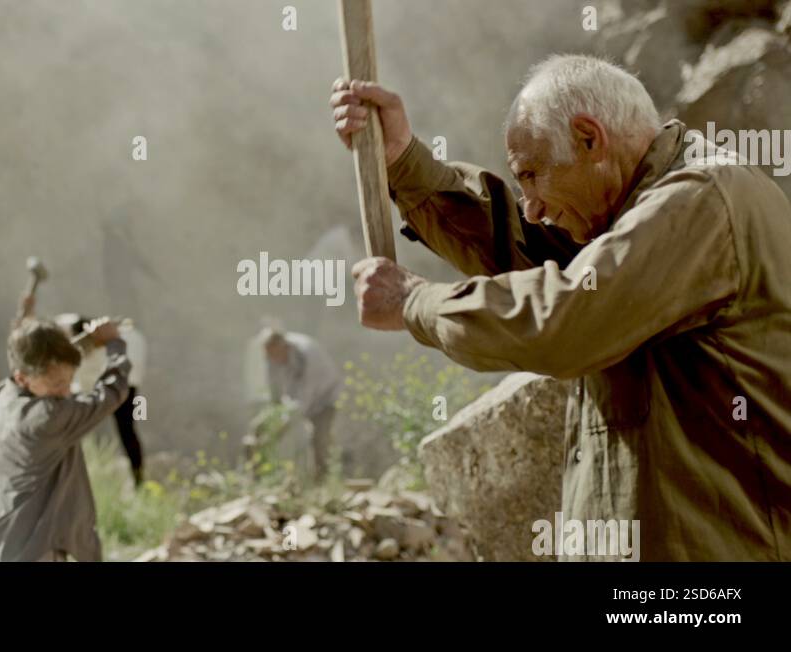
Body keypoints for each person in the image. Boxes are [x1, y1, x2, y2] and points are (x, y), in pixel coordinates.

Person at [330, 54, 791, 561]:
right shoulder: (630, 214)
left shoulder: (701, 199)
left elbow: (562, 318)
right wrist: (402, 160)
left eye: (531, 175)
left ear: (591, 139)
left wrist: (414, 301)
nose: (531, 204)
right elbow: (525, 246)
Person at [0, 316, 129, 562]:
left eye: (69, 381)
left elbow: (48, 359)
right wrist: (114, 343)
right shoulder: (48, 418)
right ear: (22, 378)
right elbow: (112, 394)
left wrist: (89, 343)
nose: (65, 391)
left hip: (16, 544)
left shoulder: (8, 397)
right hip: (36, 549)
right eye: (56, 383)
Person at [55, 314, 147, 487]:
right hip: (104, 387)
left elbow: (123, 373)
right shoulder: (70, 331)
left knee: (126, 431)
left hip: (122, 385)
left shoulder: (124, 340)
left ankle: (138, 478)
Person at [248, 327, 342, 479]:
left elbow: (302, 402)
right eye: (268, 355)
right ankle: (256, 476)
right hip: (296, 398)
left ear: (283, 347)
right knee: (258, 428)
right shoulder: (272, 355)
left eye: (273, 354)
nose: (271, 359)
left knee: (319, 440)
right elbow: (274, 389)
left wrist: (280, 429)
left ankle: (322, 482)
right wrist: (271, 417)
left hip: (324, 397)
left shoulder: (306, 356)